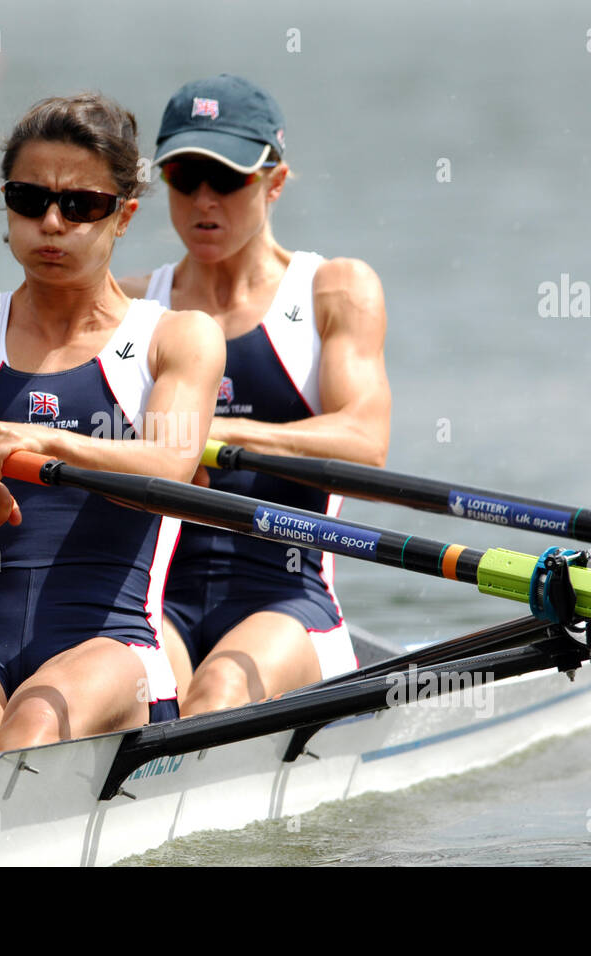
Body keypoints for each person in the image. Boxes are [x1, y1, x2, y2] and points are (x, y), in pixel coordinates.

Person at [0, 93, 224, 765]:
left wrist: (41, 441)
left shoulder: (177, 338)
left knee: (32, 728)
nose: (51, 223)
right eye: (29, 200)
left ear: (123, 216)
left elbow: (171, 467)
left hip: (113, 646)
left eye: (80, 206)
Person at [121, 74, 391, 715]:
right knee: (122, 695)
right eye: (184, 177)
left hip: (288, 597)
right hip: (158, 597)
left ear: (274, 180)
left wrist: (219, 438)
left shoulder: (333, 290)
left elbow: (364, 441)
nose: (203, 200)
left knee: (218, 691)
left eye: (228, 178)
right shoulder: (133, 304)